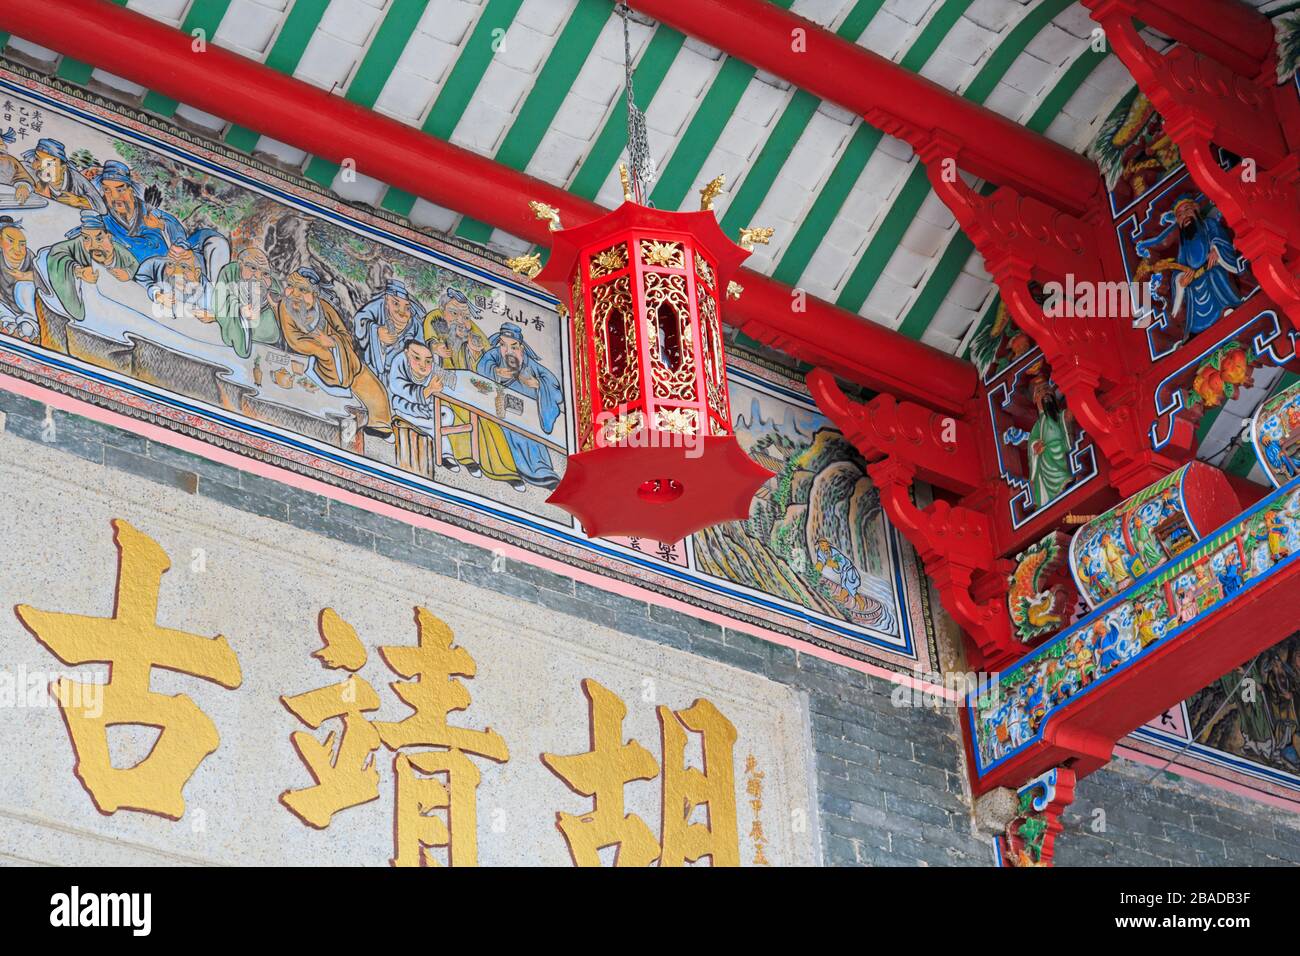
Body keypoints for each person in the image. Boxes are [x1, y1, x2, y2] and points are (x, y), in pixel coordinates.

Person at [276, 267, 391, 438]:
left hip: (343, 362)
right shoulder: (286, 308)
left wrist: (333, 343)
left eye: (303, 290)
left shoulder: (324, 308)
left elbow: (344, 334)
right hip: (311, 363)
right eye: (292, 286)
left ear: (314, 294)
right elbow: (295, 340)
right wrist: (321, 349)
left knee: (377, 394)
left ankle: (377, 424)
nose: (295, 293)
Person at [423, 288, 520, 485]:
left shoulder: (470, 328)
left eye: (464, 315)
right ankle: (466, 458)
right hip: (444, 381)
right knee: (462, 413)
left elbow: (488, 356)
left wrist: (476, 353)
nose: (460, 319)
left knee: (489, 417)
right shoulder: (435, 318)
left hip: (470, 385)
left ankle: (504, 470)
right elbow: (430, 341)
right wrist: (436, 347)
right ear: (443, 310)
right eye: (454, 313)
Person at [94, 160, 228, 276]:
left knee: (216, 242)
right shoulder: (104, 220)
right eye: (107, 190)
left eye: (120, 189)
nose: (115, 197)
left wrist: (161, 226)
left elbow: (180, 241)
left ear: (131, 190)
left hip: (185, 264)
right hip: (158, 274)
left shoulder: (153, 214)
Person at [1137, 195, 1245, 339]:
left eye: (1187, 210)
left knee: (1215, 277)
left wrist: (1215, 249)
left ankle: (1226, 307)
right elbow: (1179, 267)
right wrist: (1181, 280)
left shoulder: (1208, 224)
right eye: (1180, 215)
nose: (1184, 216)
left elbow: (1219, 238)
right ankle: (1197, 328)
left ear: (1195, 210)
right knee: (1192, 292)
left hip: (1213, 269)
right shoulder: (1184, 243)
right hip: (1195, 280)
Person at [476, 321, 563, 490]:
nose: (508, 351)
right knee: (509, 432)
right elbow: (481, 368)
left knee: (530, 435)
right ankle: (517, 469)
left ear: (522, 347)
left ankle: (541, 469)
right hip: (499, 406)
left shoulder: (530, 364)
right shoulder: (493, 355)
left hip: (526, 413)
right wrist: (496, 372)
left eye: (513, 346)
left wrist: (537, 384)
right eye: (503, 345)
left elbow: (554, 387)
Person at [43, 210, 138, 322]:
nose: (93, 245)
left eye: (99, 239)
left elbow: (134, 264)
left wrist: (127, 273)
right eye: (86, 238)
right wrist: (78, 271)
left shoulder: (120, 253)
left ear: (109, 237)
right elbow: (56, 253)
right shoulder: (79, 245)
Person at [387, 338, 456, 470]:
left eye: (428, 361)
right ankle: (445, 453)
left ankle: (443, 450)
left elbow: (445, 379)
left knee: (448, 414)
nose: (422, 365)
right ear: (407, 354)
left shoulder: (432, 369)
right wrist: (428, 390)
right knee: (437, 424)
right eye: (417, 358)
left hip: (424, 408)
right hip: (403, 407)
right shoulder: (399, 361)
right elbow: (398, 387)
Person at [213, 246, 282, 357]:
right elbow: (220, 304)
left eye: (265, 273)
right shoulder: (229, 273)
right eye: (253, 268)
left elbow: (275, 330)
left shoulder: (273, 290)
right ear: (240, 265)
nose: (259, 276)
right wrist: (240, 311)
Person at [354, 278, 424, 379]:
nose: (402, 312)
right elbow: (360, 319)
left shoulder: (415, 324)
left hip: (398, 375)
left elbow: (422, 347)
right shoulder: (378, 306)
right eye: (396, 304)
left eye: (407, 308)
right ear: (387, 300)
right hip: (370, 369)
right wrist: (376, 331)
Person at [0, 216, 53, 342]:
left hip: (28, 309)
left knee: (24, 286)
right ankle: (8, 322)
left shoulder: (30, 258)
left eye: (22, 244)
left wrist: (28, 276)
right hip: (7, 306)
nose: (17, 249)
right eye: (11, 241)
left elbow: (45, 285)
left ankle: (29, 325)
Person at [136, 241, 214, 323]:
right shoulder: (157, 264)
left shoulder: (207, 290)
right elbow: (140, 275)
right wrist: (157, 294)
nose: (176, 273)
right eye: (170, 264)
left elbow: (216, 314)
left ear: (197, 273)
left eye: (184, 267)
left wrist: (212, 317)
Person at [20, 138, 104, 211]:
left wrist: (80, 201)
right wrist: (23, 185)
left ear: (63, 168)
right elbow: (15, 170)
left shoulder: (78, 181)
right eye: (37, 159)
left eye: (48, 164)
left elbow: (102, 208)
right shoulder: (31, 170)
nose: (38, 166)